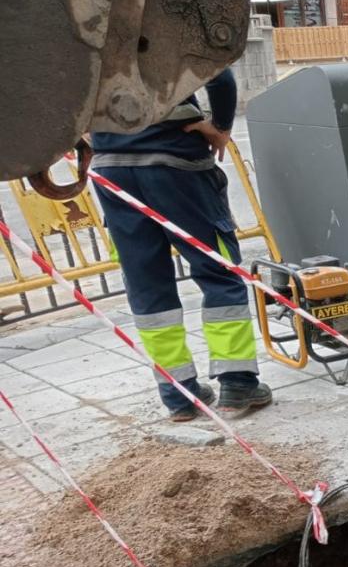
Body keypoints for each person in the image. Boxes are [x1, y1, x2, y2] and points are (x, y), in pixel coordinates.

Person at [91, 67, 271, 422]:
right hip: (175, 160)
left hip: (111, 168)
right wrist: (220, 127)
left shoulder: (84, 24)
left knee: (147, 286)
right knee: (218, 271)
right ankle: (237, 385)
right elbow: (218, 74)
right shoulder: (159, 15)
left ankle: (179, 396)